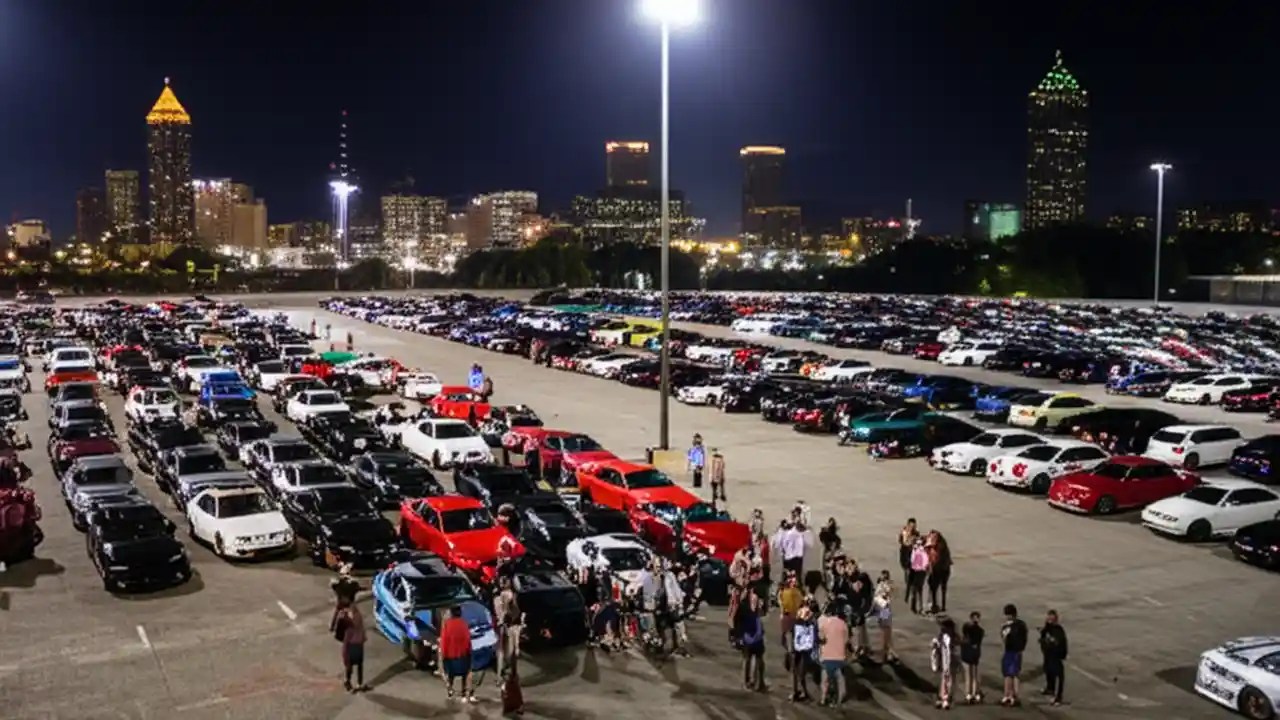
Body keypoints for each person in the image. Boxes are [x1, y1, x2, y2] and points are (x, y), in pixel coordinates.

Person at [440, 605, 475, 702]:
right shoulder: (464, 624)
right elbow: (468, 639)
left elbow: (444, 640)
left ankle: (450, 691)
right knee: (464, 674)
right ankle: (463, 694)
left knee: (451, 675)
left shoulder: (447, 624)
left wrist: (443, 654)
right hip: (463, 654)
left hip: (450, 655)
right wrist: (469, 651)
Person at [817, 602, 848, 707]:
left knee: (824, 680)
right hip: (839, 656)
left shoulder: (824, 623)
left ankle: (823, 698)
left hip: (827, 656)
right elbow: (846, 640)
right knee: (839, 679)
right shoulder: (843, 624)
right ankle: (839, 699)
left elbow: (820, 638)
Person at [493, 576, 523, 679]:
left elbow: (499, 613)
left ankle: (499, 675)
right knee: (513, 650)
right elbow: (514, 612)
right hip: (511, 625)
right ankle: (513, 673)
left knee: (501, 651)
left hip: (502, 625)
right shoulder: (511, 595)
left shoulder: (496, 598)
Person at [737, 589, 767, 691]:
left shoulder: (743, 601)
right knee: (755, 658)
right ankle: (755, 682)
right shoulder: (749, 602)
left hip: (749, 634)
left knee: (750, 658)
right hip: (752, 633)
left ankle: (751, 682)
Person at [336, 603, 369, 693]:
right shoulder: (348, 619)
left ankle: (356, 683)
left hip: (356, 642)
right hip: (353, 644)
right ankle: (349, 682)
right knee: (352, 664)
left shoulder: (351, 615)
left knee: (357, 664)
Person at [1000, 603, 1029, 707]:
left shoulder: (1016, 626)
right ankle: (1009, 695)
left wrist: (1020, 649)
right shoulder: (1011, 625)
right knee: (1010, 673)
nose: (1007, 617)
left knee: (1012, 674)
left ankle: (1012, 695)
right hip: (1012, 651)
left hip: (1014, 652)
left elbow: (1022, 638)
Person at [1039, 610, 1068, 706]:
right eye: (1048, 618)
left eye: (1051, 618)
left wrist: (1062, 654)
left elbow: (1061, 643)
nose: (1049, 620)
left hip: (1056, 656)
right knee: (1048, 671)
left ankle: (1058, 697)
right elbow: (1042, 638)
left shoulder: (1058, 630)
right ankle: (1050, 688)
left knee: (1059, 676)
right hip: (1048, 655)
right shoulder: (1047, 628)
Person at [790, 605, 817, 702]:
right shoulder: (806, 625)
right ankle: (802, 692)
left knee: (796, 673)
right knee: (800, 673)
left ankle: (797, 691)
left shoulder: (797, 624)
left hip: (798, 651)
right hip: (802, 652)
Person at [777, 573, 804, 670]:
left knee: (788, 640)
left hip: (788, 619)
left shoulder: (783, 592)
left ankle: (790, 654)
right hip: (794, 619)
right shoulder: (797, 592)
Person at [931, 617, 959, 709]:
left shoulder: (946, 637)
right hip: (947, 661)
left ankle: (943, 698)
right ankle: (944, 698)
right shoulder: (948, 637)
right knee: (947, 680)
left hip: (948, 661)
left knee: (946, 680)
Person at [961, 612, 985, 704]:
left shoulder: (966, 629)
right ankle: (975, 693)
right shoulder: (980, 631)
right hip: (975, 654)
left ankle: (968, 694)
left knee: (968, 675)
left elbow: (964, 640)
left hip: (967, 654)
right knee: (974, 675)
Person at [926, 530, 953, 615]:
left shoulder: (940, 547)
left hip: (941, 570)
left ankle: (937, 606)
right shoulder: (938, 545)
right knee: (936, 586)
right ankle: (938, 605)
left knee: (936, 587)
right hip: (940, 569)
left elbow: (935, 556)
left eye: (933, 537)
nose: (931, 539)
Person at [873, 570, 897, 663]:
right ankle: (887, 652)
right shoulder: (883, 585)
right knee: (886, 630)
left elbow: (888, 594)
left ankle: (886, 653)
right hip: (883, 608)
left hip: (884, 609)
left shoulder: (884, 585)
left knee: (885, 631)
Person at [906, 538, 929, 615]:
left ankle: (916, 607)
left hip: (917, 571)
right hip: (919, 572)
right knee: (919, 590)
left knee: (916, 590)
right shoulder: (922, 552)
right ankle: (920, 607)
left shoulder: (915, 551)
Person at [898, 518, 919, 584]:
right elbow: (901, 541)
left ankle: (912, 583)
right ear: (908, 525)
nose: (912, 527)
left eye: (913, 526)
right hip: (905, 554)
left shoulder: (916, 533)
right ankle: (908, 584)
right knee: (906, 569)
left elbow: (917, 542)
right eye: (910, 525)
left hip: (913, 553)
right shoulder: (904, 532)